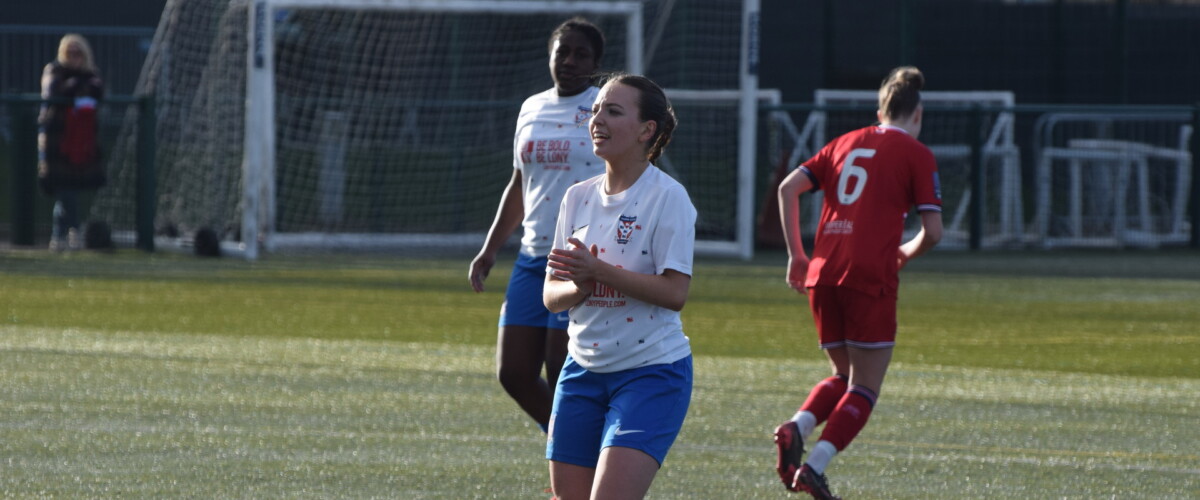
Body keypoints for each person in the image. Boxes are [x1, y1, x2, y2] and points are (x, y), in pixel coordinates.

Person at [772, 66, 943, 500]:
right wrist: (905, 252)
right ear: (917, 113)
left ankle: (797, 426)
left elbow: (789, 188)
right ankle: (814, 466)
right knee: (865, 384)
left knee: (842, 373)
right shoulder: (916, 154)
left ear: (880, 109)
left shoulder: (843, 143)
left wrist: (797, 255)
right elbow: (934, 230)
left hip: (824, 272)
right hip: (870, 276)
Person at [543, 73, 695, 500]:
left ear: (647, 130)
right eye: (595, 111)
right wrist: (580, 287)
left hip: (651, 373)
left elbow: (674, 293)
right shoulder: (576, 197)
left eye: (612, 111)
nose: (597, 120)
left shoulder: (668, 197)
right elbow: (551, 295)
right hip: (580, 373)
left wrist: (599, 271)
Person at [469, 18, 607, 434]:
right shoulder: (531, 107)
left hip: (576, 259)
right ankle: (579, 450)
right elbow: (519, 184)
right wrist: (490, 248)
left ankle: (579, 470)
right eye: (561, 52)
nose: (569, 61)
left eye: (581, 54)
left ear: (596, 62)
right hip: (532, 259)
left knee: (560, 369)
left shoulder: (605, 108)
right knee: (513, 372)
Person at [38, 33, 105, 251]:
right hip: (59, 141)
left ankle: (68, 234)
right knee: (64, 190)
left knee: (72, 190)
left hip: (82, 142)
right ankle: (64, 234)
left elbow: (97, 93)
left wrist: (83, 84)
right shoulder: (54, 71)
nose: (74, 56)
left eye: (78, 52)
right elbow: (54, 92)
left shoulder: (91, 74)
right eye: (70, 52)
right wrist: (74, 85)